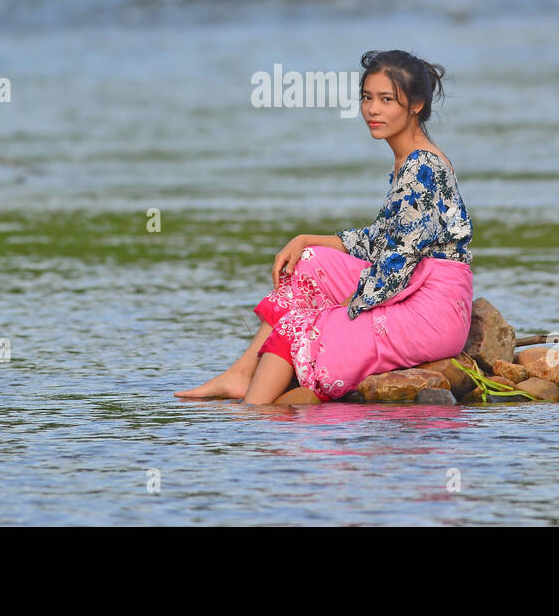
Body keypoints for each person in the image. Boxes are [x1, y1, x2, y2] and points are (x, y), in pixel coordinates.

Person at [176, 49, 474, 405]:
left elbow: (396, 266)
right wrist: (305, 239)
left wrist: (344, 308)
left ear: (416, 105)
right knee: (310, 261)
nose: (372, 110)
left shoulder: (422, 168)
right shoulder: (409, 159)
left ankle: (253, 414)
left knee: (307, 324)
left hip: (432, 310)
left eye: (386, 100)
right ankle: (242, 374)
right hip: (411, 283)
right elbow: (383, 240)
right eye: (367, 98)